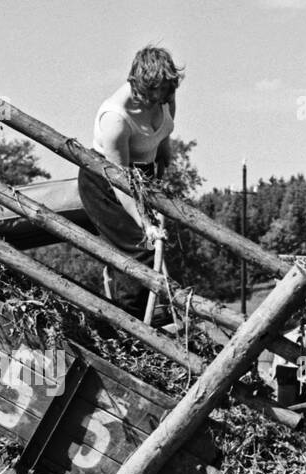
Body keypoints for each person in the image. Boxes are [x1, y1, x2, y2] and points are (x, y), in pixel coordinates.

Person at [78, 45, 182, 295]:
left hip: (143, 176)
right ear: (138, 84)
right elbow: (121, 181)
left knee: (168, 250)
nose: (158, 101)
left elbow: (164, 131)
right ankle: (131, 326)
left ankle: (166, 319)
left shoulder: (165, 95)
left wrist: (164, 151)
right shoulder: (115, 118)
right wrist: (146, 223)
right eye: (152, 94)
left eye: (164, 94)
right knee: (140, 254)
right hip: (106, 183)